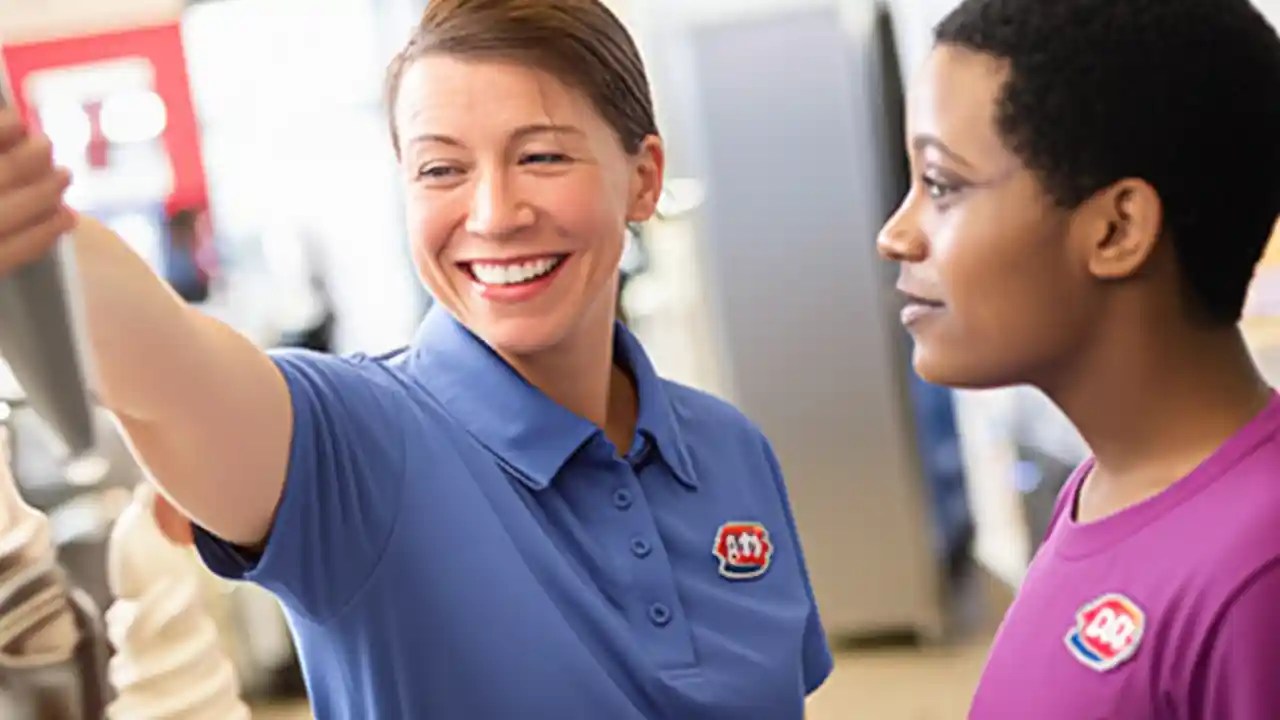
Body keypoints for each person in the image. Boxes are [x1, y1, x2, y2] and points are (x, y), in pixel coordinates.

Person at [0, 1, 832, 717]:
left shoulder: (728, 450)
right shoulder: (355, 447)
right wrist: (38, 229)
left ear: (643, 177)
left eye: (541, 155)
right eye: (442, 169)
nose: (495, 213)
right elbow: (164, 364)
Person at [877, 0, 1280, 717]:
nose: (896, 235)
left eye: (941, 185)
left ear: (1117, 229)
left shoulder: (1257, 576)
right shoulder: (1103, 488)